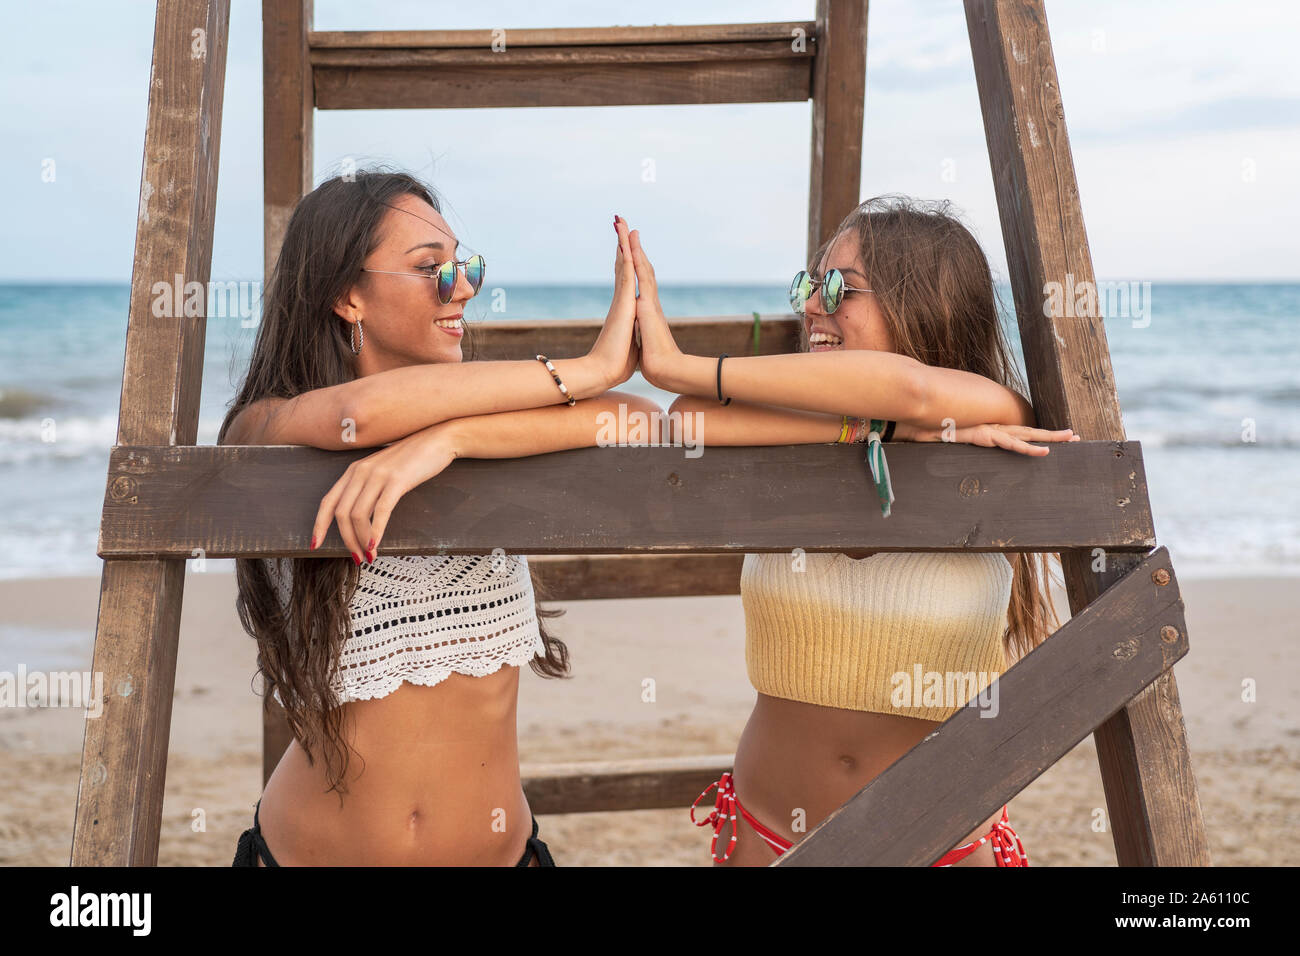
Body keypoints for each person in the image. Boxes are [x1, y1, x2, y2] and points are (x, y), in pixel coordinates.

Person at [628, 196, 1072, 866]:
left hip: (942, 847)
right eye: (808, 285)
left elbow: (910, 390)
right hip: (768, 834)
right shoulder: (822, 431)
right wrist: (869, 429)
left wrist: (671, 362)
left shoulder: (995, 412)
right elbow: (692, 419)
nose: (811, 305)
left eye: (838, 288)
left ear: (926, 304)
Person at [223, 169, 651, 865]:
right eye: (431, 269)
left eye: (464, 265)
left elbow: (635, 420)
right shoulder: (266, 425)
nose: (463, 288)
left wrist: (449, 441)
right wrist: (595, 364)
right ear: (346, 295)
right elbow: (357, 415)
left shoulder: (481, 422)